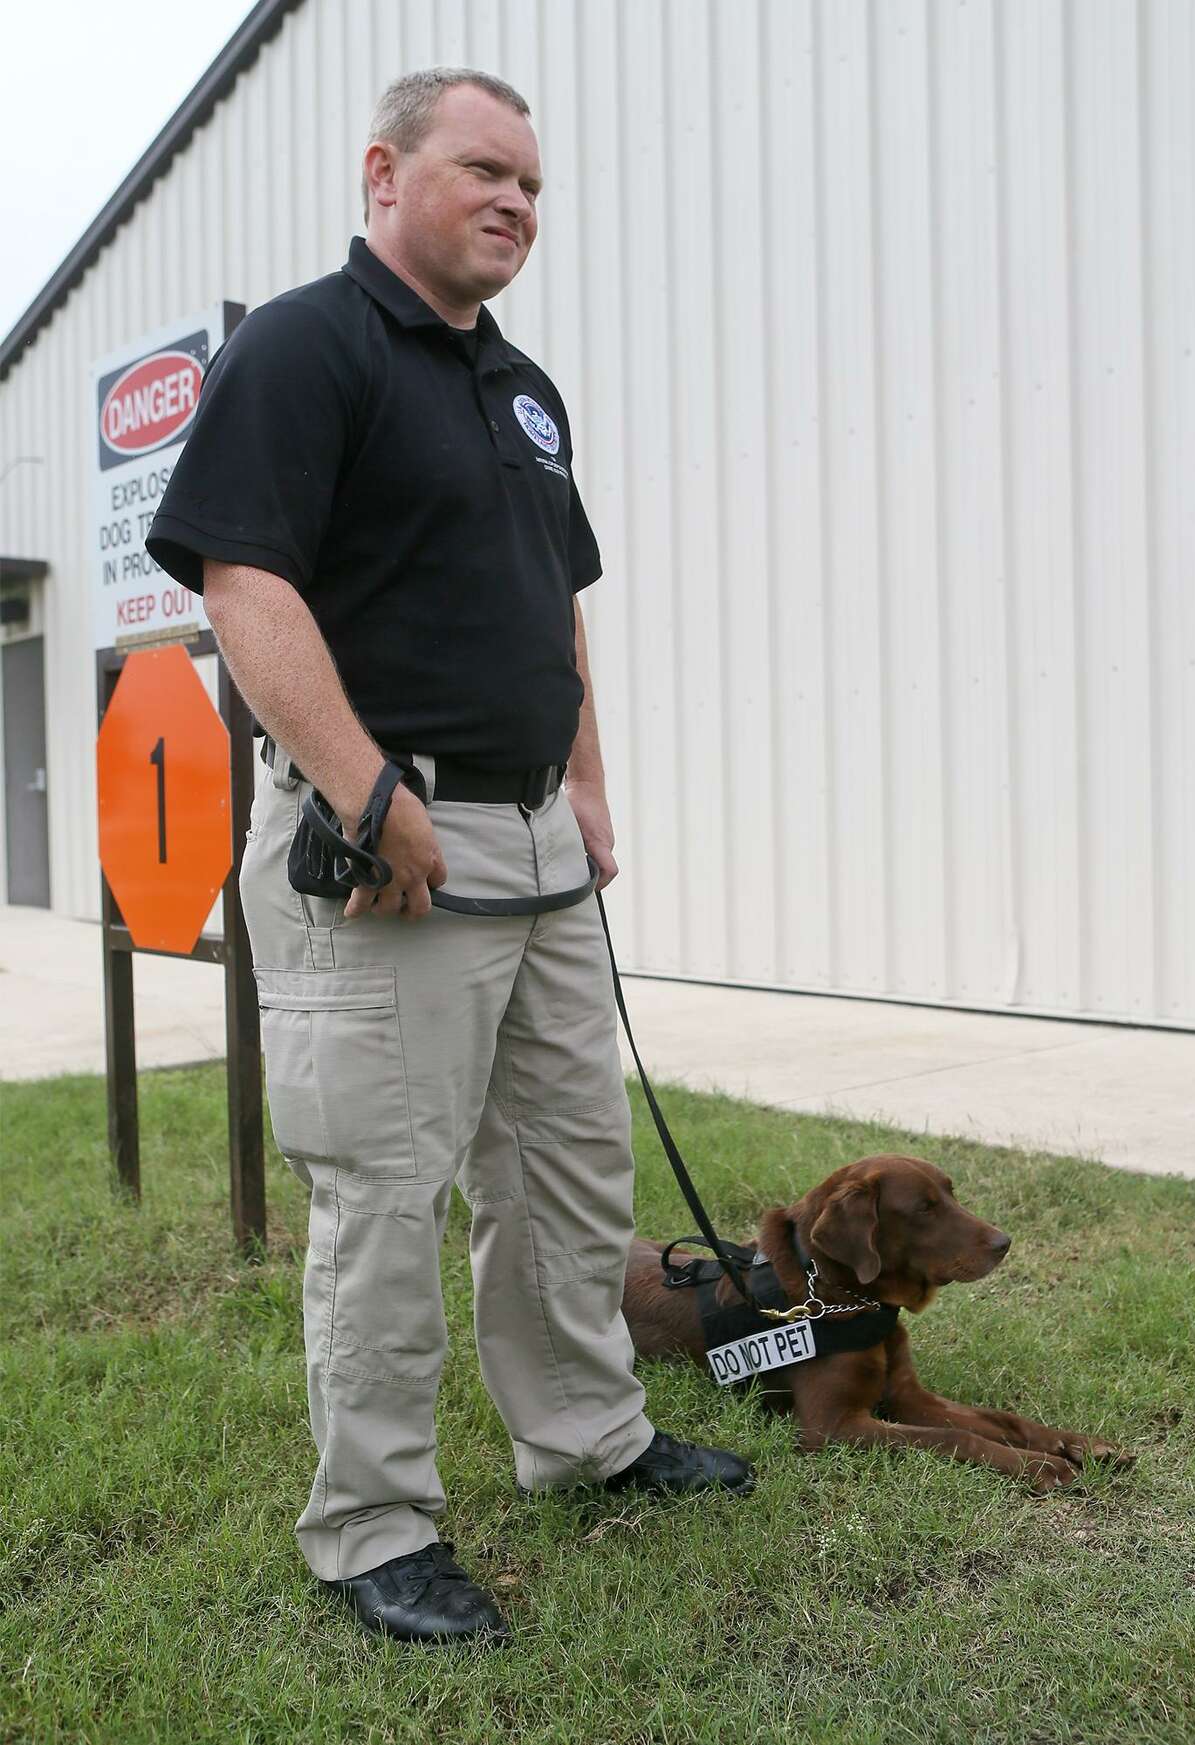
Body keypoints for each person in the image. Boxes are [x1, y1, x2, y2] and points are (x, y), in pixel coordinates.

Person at [146, 66, 752, 1647]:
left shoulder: (524, 388)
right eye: (485, 170)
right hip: (391, 844)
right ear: (385, 172)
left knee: (566, 1168)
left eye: (534, 187)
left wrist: (590, 782)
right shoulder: (306, 345)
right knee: (383, 1193)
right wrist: (363, 791)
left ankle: (590, 1441)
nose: (517, 204)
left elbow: (553, 601)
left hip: (536, 829)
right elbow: (245, 583)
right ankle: (371, 1528)